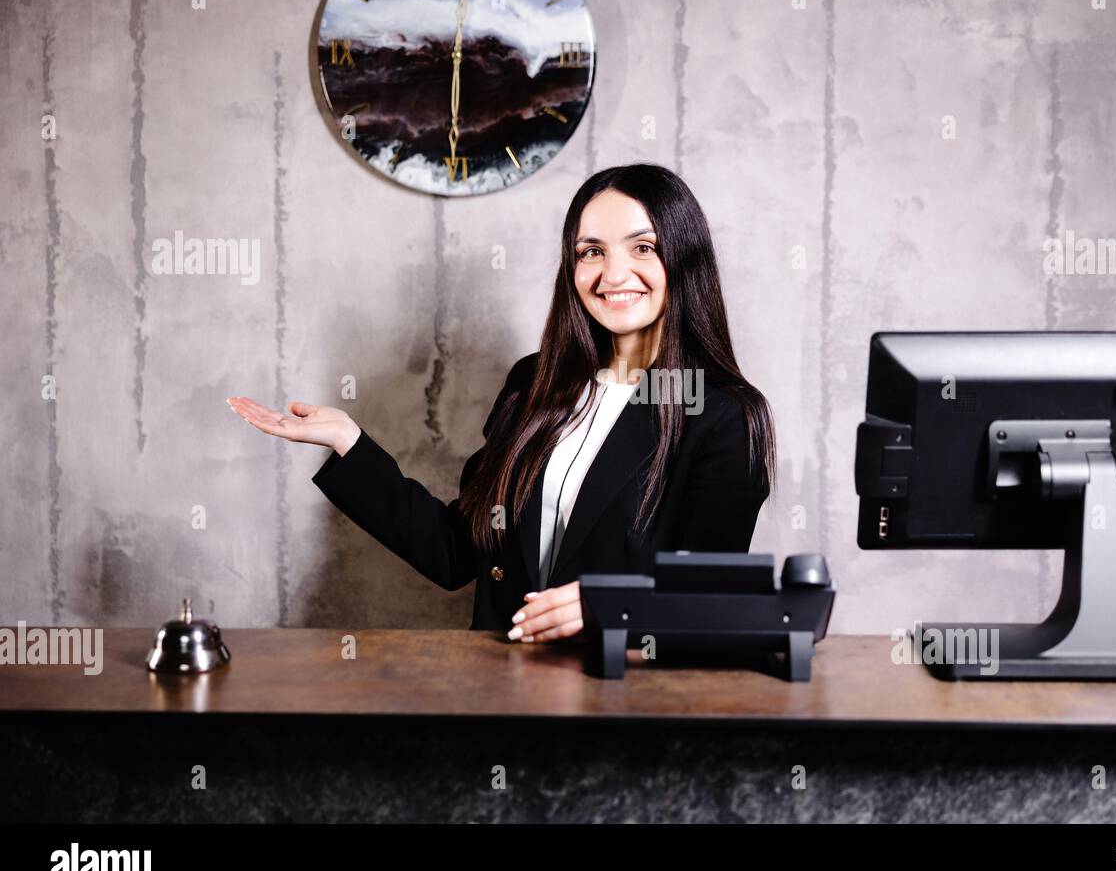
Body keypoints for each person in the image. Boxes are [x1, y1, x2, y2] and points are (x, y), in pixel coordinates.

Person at [228, 163, 775, 643]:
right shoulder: (534, 381)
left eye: (643, 247)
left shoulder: (723, 414)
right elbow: (455, 552)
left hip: (623, 711)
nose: (612, 273)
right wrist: (348, 441)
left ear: (683, 258)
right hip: (500, 694)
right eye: (591, 252)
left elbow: (709, 601)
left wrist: (610, 608)